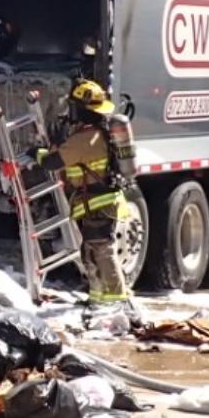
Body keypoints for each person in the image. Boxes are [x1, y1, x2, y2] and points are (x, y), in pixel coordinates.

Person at [48, 79, 136, 301]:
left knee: (102, 251)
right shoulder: (97, 132)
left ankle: (117, 300)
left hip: (97, 203)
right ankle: (98, 297)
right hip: (98, 201)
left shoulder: (85, 138)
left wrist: (36, 153)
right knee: (91, 253)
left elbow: (52, 162)